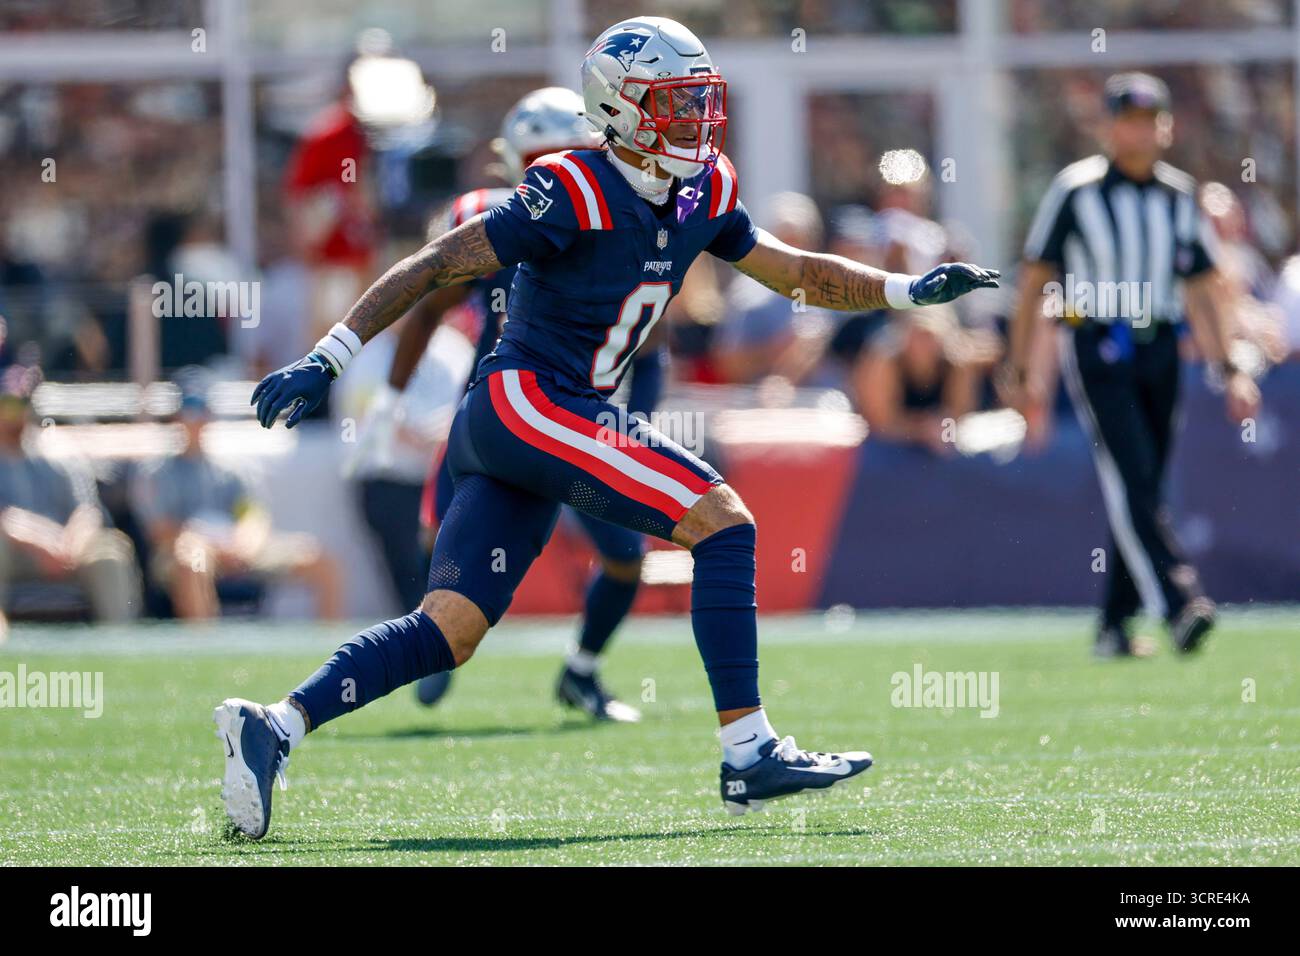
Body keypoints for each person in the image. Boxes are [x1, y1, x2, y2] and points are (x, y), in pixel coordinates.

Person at [219, 16, 998, 839]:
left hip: (528, 420)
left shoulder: (704, 187)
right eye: (674, 101)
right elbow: (439, 263)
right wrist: (329, 356)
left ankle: (272, 726)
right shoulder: (575, 185)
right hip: (532, 400)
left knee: (448, 630)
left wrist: (907, 292)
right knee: (724, 524)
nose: (696, 118)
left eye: (699, 99)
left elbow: (796, 272)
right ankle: (748, 752)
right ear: (621, 110)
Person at [369, 87, 652, 720]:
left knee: (625, 554)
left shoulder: (619, 215)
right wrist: (389, 399)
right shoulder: (505, 213)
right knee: (442, 535)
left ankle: (579, 671)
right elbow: (431, 302)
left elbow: (650, 335)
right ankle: (434, 635)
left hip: (576, 412)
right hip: (505, 410)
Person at [1000, 72, 1261, 659]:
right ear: (1108, 127)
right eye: (1127, 119)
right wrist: (1021, 368)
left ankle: (1115, 625)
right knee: (1135, 474)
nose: (1138, 132)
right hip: (1098, 341)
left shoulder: (1178, 194)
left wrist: (1231, 366)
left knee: (1142, 481)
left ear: (1165, 127)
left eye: (1149, 120)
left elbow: (1202, 287)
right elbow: (1037, 277)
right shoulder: (1077, 190)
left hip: (1161, 344)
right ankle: (1179, 601)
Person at [131, 387, 342, 621]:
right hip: (189, 551)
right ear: (176, 419)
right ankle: (206, 646)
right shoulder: (158, 472)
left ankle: (331, 648)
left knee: (317, 559)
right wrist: (209, 543)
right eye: (188, 415)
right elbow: (160, 531)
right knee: (192, 562)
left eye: (199, 415)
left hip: (236, 549)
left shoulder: (228, 471)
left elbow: (253, 515)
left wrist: (244, 544)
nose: (194, 423)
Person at [0, 365, 140, 629]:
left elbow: (88, 510)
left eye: (22, 403)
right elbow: (7, 520)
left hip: (66, 551)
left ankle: (120, 643)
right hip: (16, 555)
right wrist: (36, 538)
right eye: (7, 403)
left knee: (111, 549)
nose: (15, 412)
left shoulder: (56, 450)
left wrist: (70, 543)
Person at [855, 306, 980, 455]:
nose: (922, 343)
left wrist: (939, 430)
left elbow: (960, 417)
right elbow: (880, 425)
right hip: (887, 447)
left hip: (939, 444)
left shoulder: (958, 366)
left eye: (929, 335)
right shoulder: (884, 363)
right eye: (916, 334)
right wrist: (921, 430)